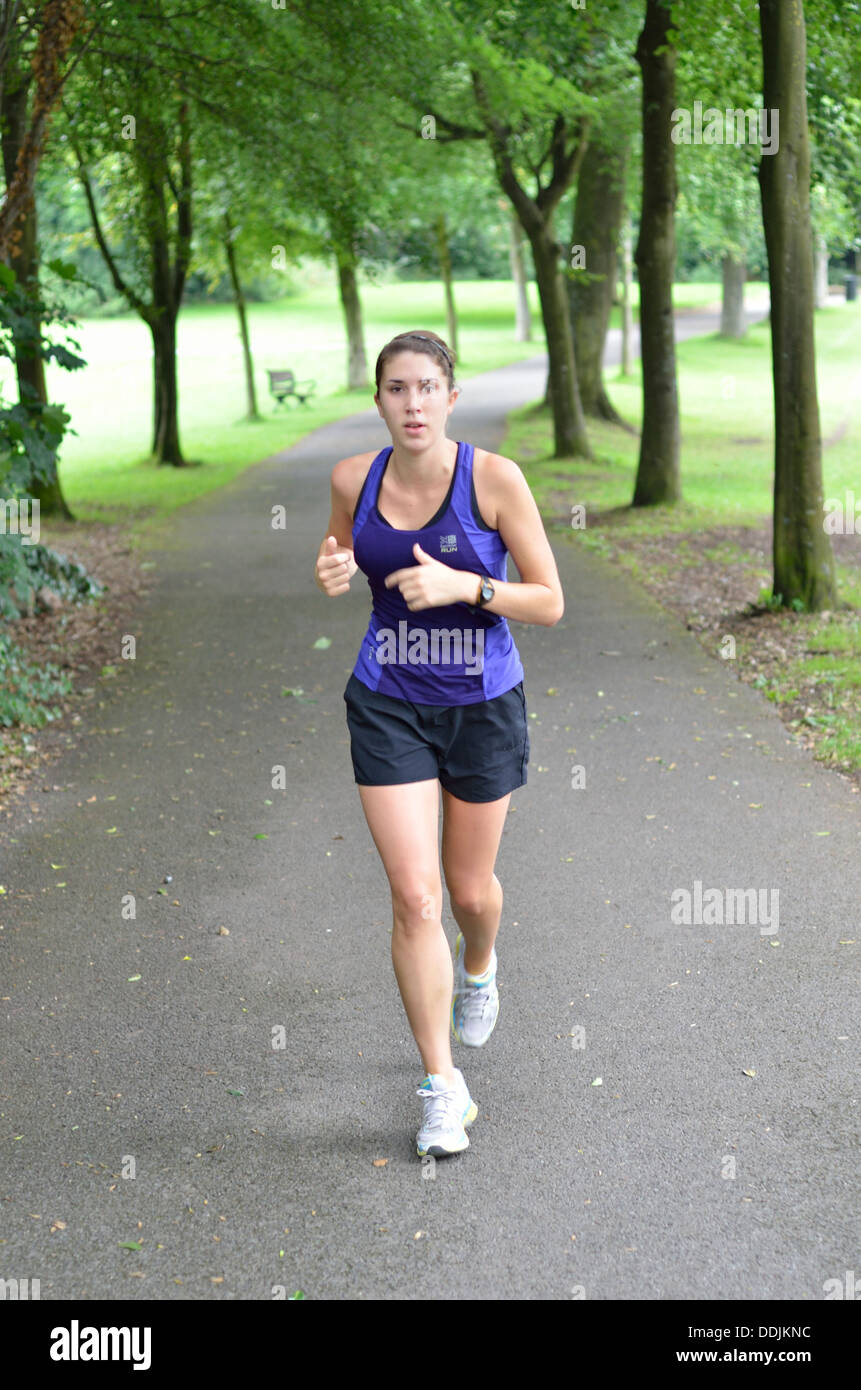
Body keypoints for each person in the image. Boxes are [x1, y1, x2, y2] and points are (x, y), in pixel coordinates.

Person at [314, 329, 563, 1159]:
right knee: (415, 897)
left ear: (450, 398)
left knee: (467, 893)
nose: (412, 403)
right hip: (387, 700)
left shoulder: (493, 480)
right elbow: (343, 547)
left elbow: (549, 601)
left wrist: (469, 586)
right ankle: (440, 1086)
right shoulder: (354, 477)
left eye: (426, 388)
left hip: (481, 706)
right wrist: (333, 566)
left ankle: (482, 964)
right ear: (378, 398)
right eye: (395, 389)